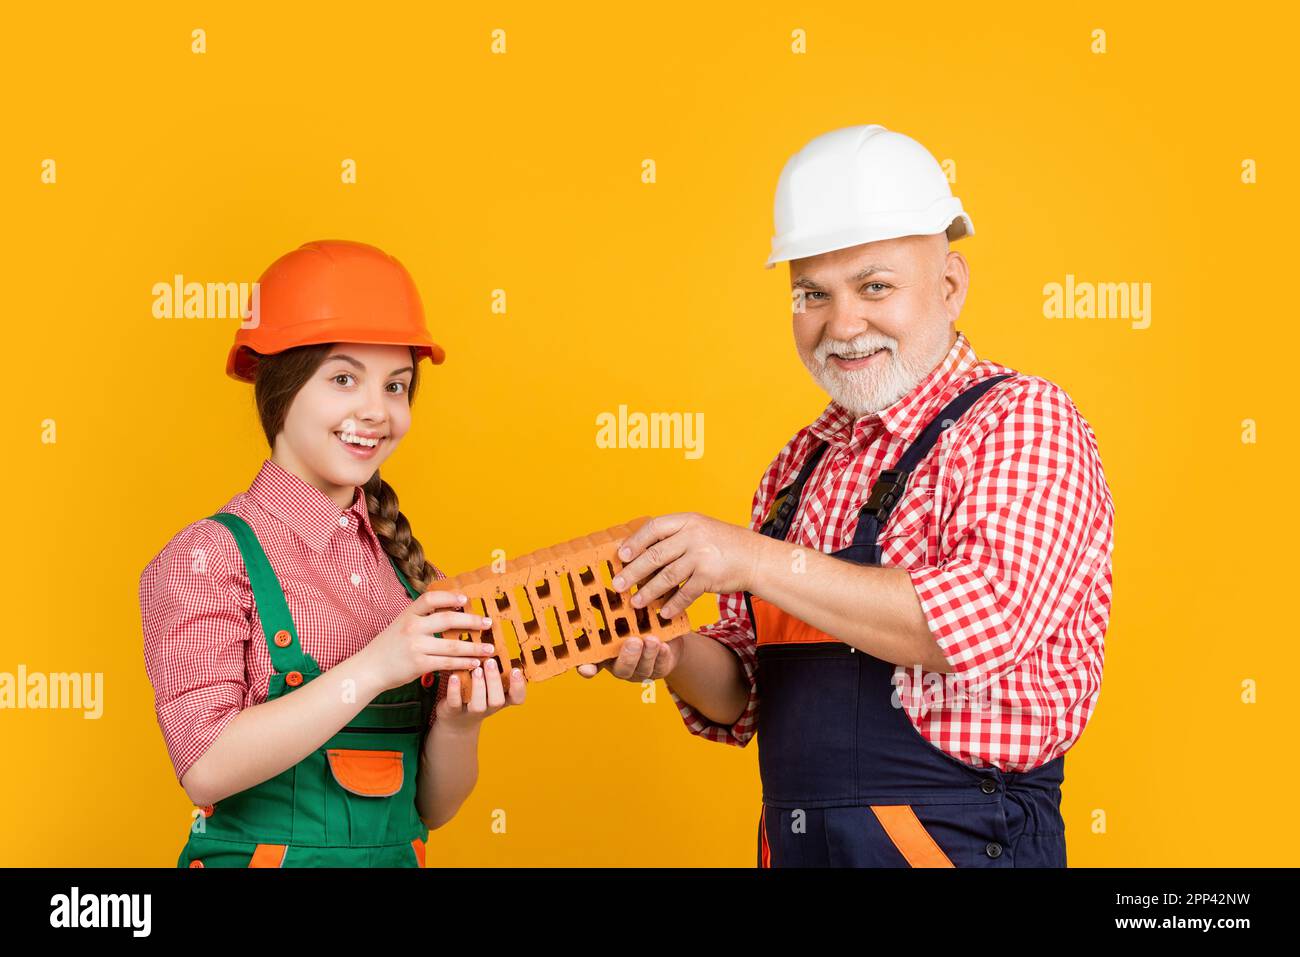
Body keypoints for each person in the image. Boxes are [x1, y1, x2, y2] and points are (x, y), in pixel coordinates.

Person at [582, 125, 1116, 868]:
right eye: (811, 294)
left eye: (874, 286)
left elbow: (976, 624)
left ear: (950, 286)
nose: (842, 324)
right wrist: (665, 651)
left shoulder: (1019, 422)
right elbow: (745, 692)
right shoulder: (797, 469)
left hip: (957, 842)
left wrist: (752, 558)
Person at [139, 239, 525, 867]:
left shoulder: (402, 571)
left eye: (397, 386)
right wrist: (377, 665)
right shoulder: (208, 558)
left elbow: (432, 809)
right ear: (279, 388)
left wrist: (461, 722)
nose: (376, 412)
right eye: (344, 378)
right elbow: (204, 766)